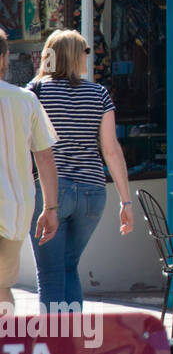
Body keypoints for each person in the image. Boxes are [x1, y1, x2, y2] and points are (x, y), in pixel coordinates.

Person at [26, 29, 133, 312]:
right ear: (73, 56)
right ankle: (71, 344)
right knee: (69, 267)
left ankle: (54, 346)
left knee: (50, 274)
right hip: (93, 193)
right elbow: (111, 149)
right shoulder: (99, 93)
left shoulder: (35, 91)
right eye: (85, 52)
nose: (89, 57)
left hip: (51, 192)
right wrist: (126, 201)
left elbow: (24, 145)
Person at [0, 29, 59, 312]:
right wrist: (51, 208)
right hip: (14, 209)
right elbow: (45, 158)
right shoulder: (26, 100)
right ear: (4, 58)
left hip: (14, 208)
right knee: (2, 289)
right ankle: (6, 352)